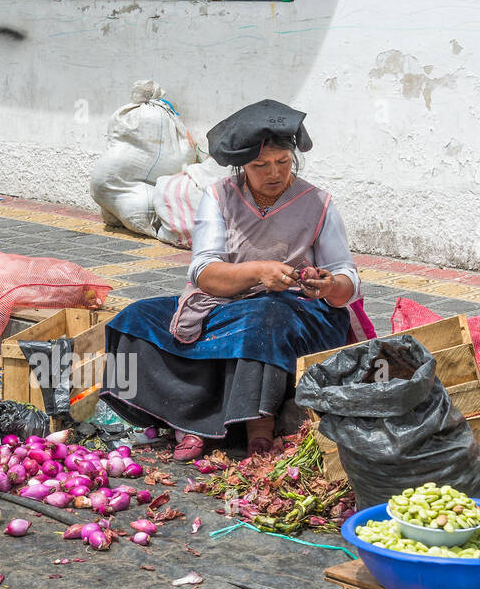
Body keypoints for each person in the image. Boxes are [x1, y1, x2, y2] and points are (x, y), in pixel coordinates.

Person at [99, 100, 375, 462]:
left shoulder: (318, 203)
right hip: (223, 302)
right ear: (241, 166)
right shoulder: (219, 197)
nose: (274, 173)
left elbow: (346, 276)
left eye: (283, 162)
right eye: (260, 165)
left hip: (296, 313)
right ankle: (179, 420)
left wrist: (329, 283)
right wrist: (257, 271)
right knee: (135, 320)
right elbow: (203, 271)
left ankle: (257, 426)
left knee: (263, 318)